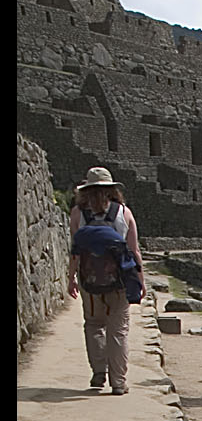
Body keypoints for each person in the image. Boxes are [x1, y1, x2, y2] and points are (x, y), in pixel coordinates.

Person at [68, 166, 145, 395]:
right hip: (119, 281)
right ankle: (118, 382)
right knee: (118, 330)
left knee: (93, 325)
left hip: (89, 280)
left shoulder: (77, 214)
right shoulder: (123, 213)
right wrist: (140, 280)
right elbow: (134, 250)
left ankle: (99, 372)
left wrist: (71, 277)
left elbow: (75, 251)